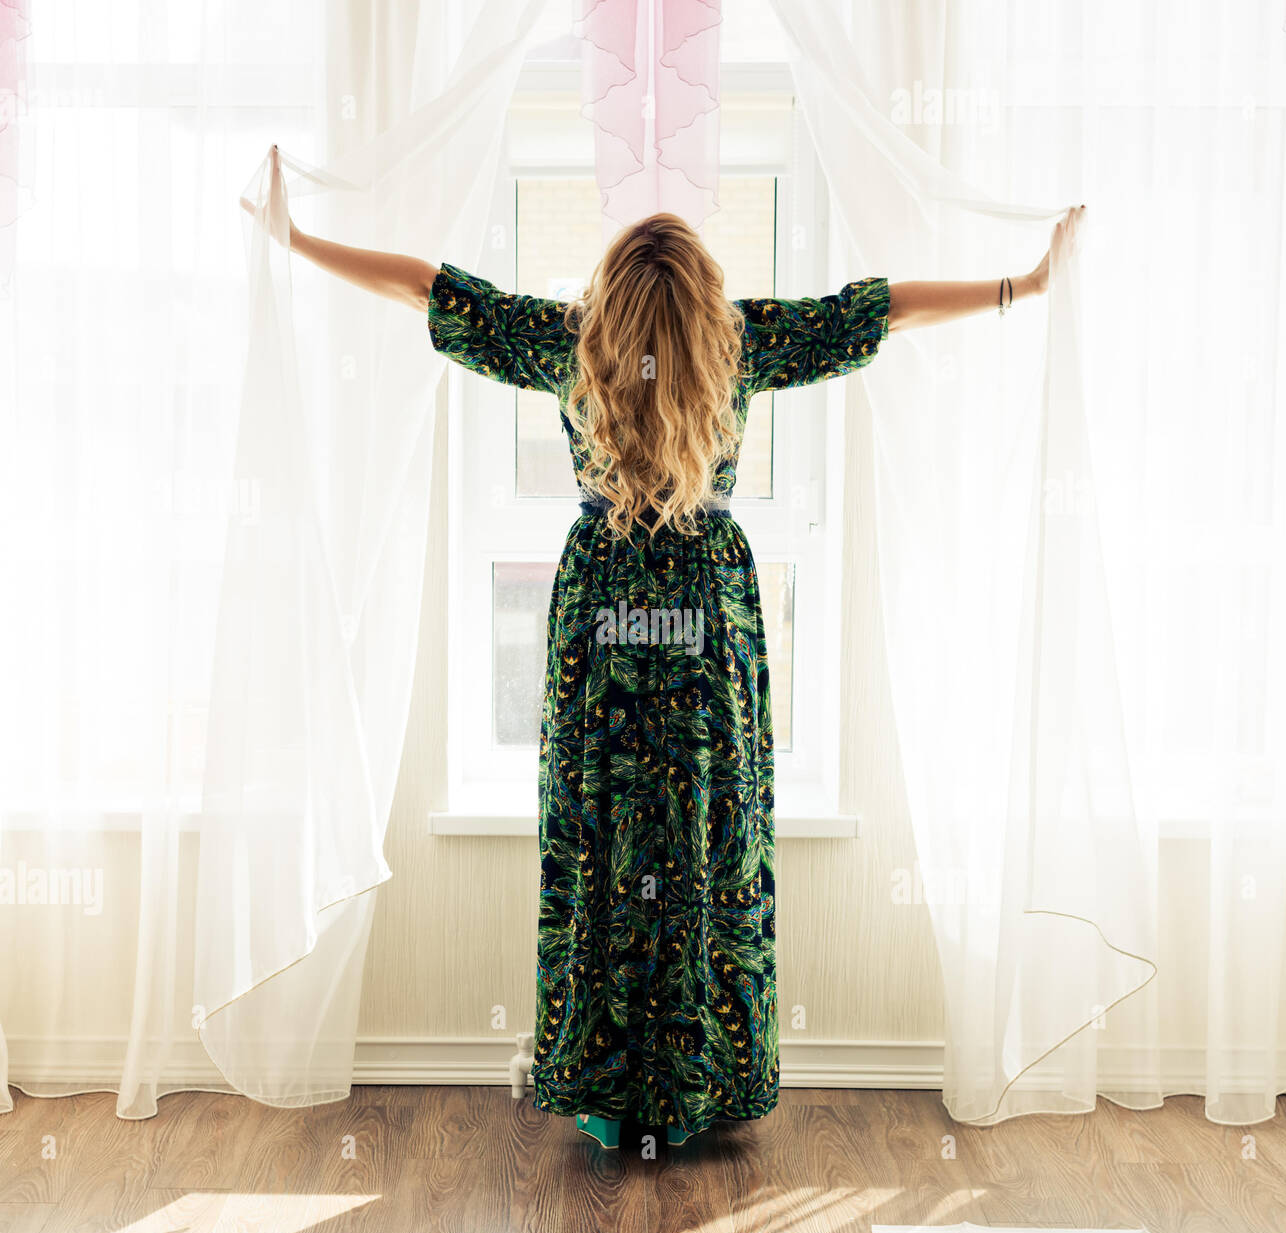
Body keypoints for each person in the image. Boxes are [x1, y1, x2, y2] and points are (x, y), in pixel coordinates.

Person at [247, 159, 1064, 1148]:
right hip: (705, 601)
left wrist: (293, 239)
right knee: (704, 834)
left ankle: (609, 1091)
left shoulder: (573, 343)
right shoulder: (738, 342)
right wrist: (1022, 285)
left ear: (614, 291)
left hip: (601, 600)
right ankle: (701, 1084)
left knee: (604, 832)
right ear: (700, 294)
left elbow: (426, 285)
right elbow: (879, 310)